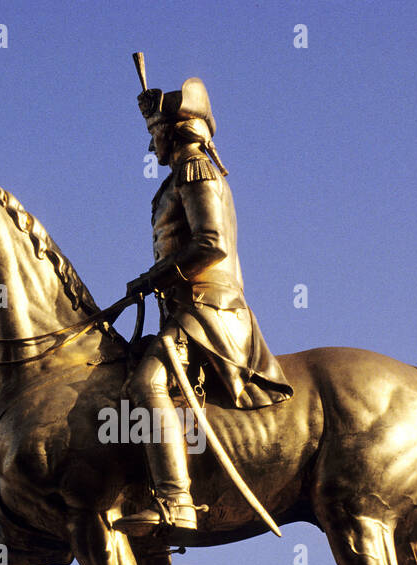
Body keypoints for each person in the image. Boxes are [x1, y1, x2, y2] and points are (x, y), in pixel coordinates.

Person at [114, 77, 293, 536]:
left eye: (155, 130)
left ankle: (177, 501)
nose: (151, 141)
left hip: (209, 307)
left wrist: (153, 277)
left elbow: (210, 244)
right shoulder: (177, 178)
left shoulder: (195, 170)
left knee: (146, 382)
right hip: (184, 309)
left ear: (176, 131)